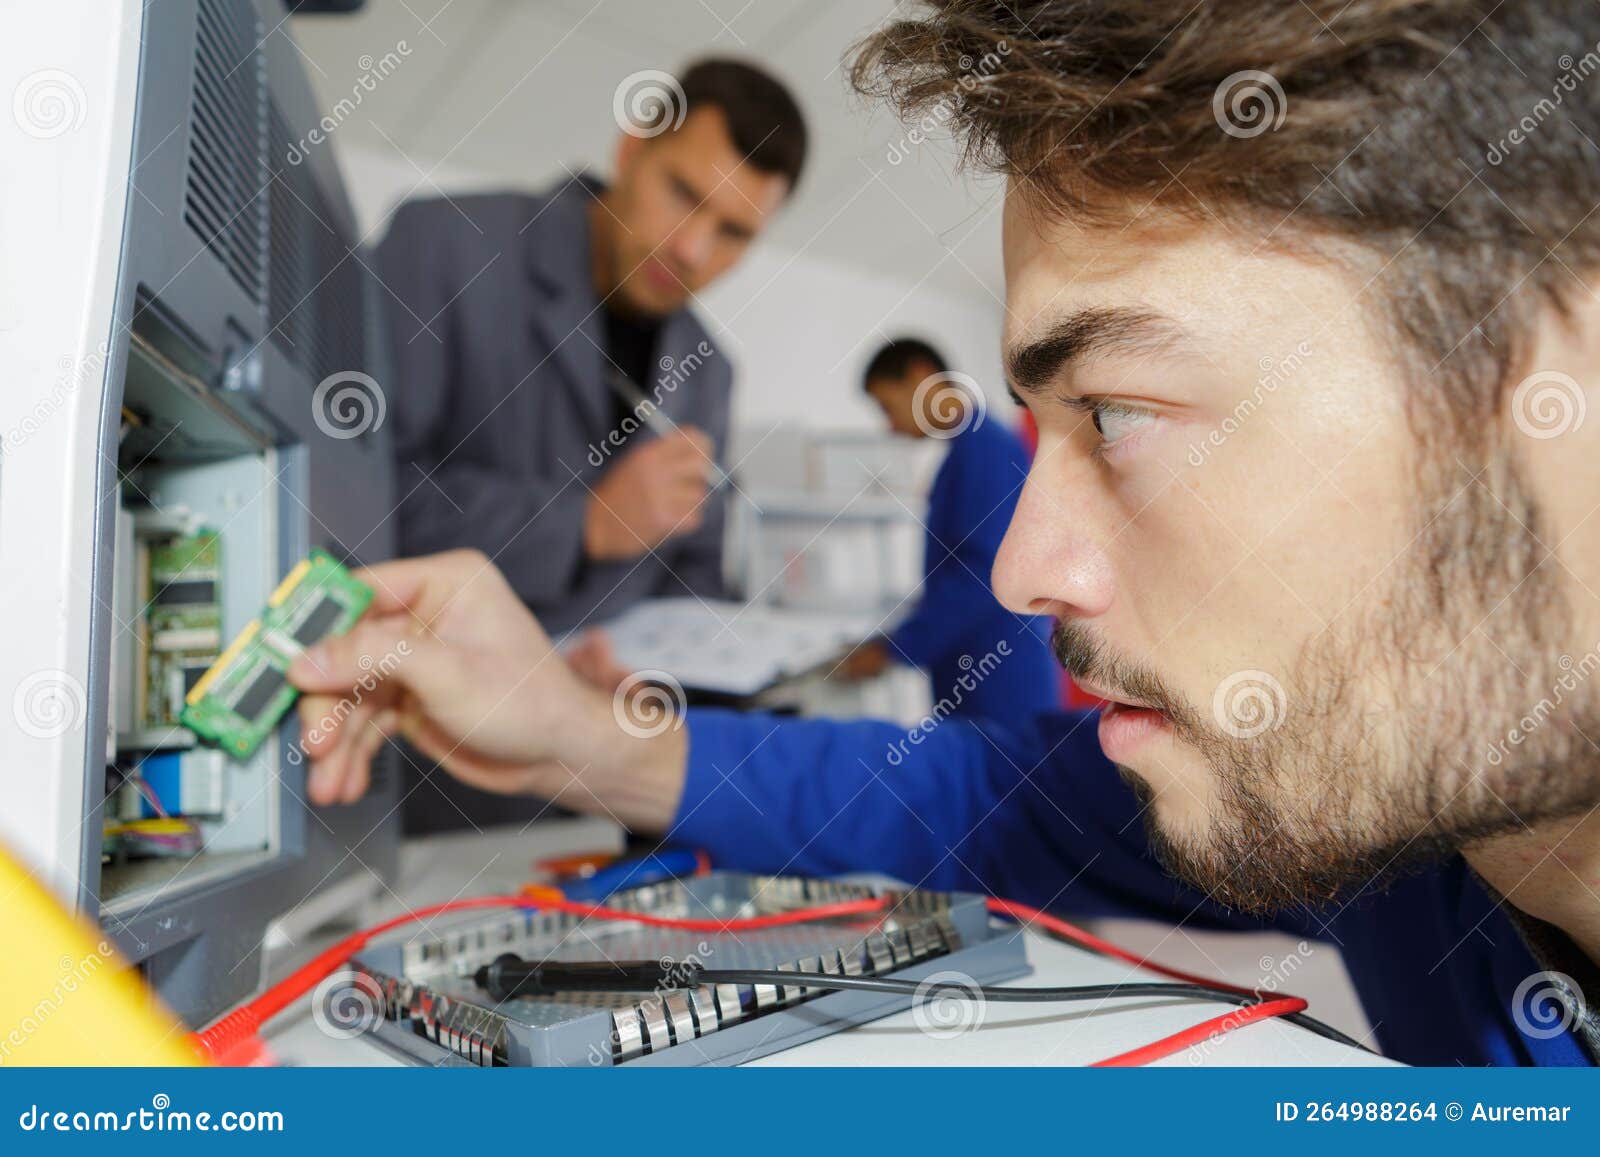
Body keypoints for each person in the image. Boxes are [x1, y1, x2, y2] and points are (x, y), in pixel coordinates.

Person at [293, 0, 1600, 1065]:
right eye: (1050, 420)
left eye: (1124, 411)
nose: (1028, 569)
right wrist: (585, 734)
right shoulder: (1371, 803)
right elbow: (976, 798)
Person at [376, 59, 805, 832]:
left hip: (602, 783)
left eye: (735, 232)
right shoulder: (445, 245)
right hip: (428, 776)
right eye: (684, 195)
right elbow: (358, 506)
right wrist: (584, 523)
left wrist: (668, 675)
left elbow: (694, 565)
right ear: (631, 147)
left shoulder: (711, 369)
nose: (695, 250)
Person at [834, 338, 1059, 721]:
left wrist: (895, 649)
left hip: (997, 674)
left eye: (888, 408)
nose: (890, 427)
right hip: (976, 666)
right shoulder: (967, 450)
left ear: (921, 377)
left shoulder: (986, 450)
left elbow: (980, 576)